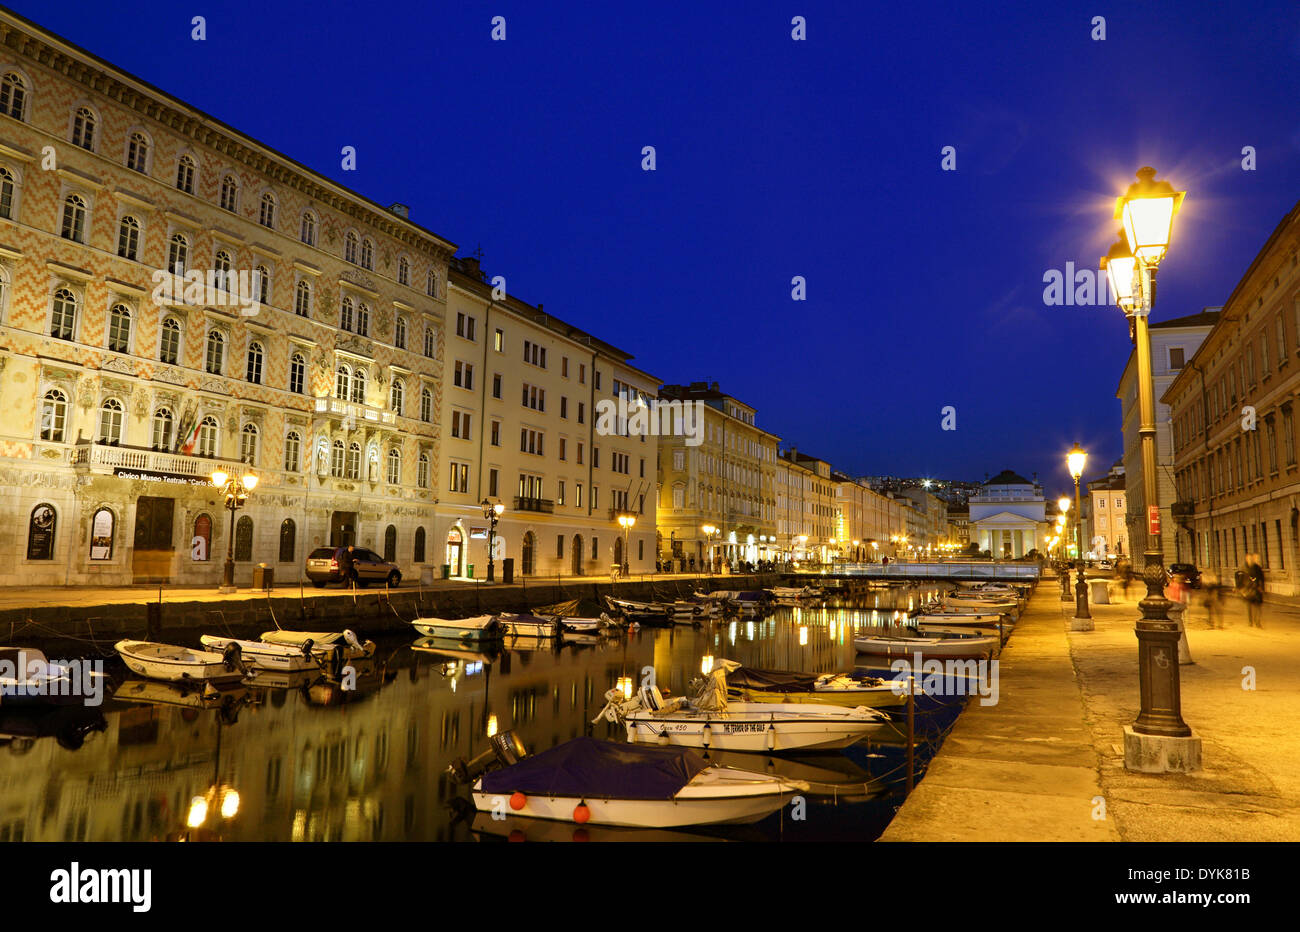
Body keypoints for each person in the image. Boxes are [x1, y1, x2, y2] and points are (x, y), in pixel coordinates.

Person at [1243, 553, 1265, 628]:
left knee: (1257, 606)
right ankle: (1251, 621)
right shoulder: (1248, 568)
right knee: (1250, 607)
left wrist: (1261, 587)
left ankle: (1257, 622)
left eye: (1258, 558)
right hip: (1251, 589)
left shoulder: (1257, 568)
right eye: (1256, 558)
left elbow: (1261, 578)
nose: (1257, 560)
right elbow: (1249, 578)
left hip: (1256, 590)